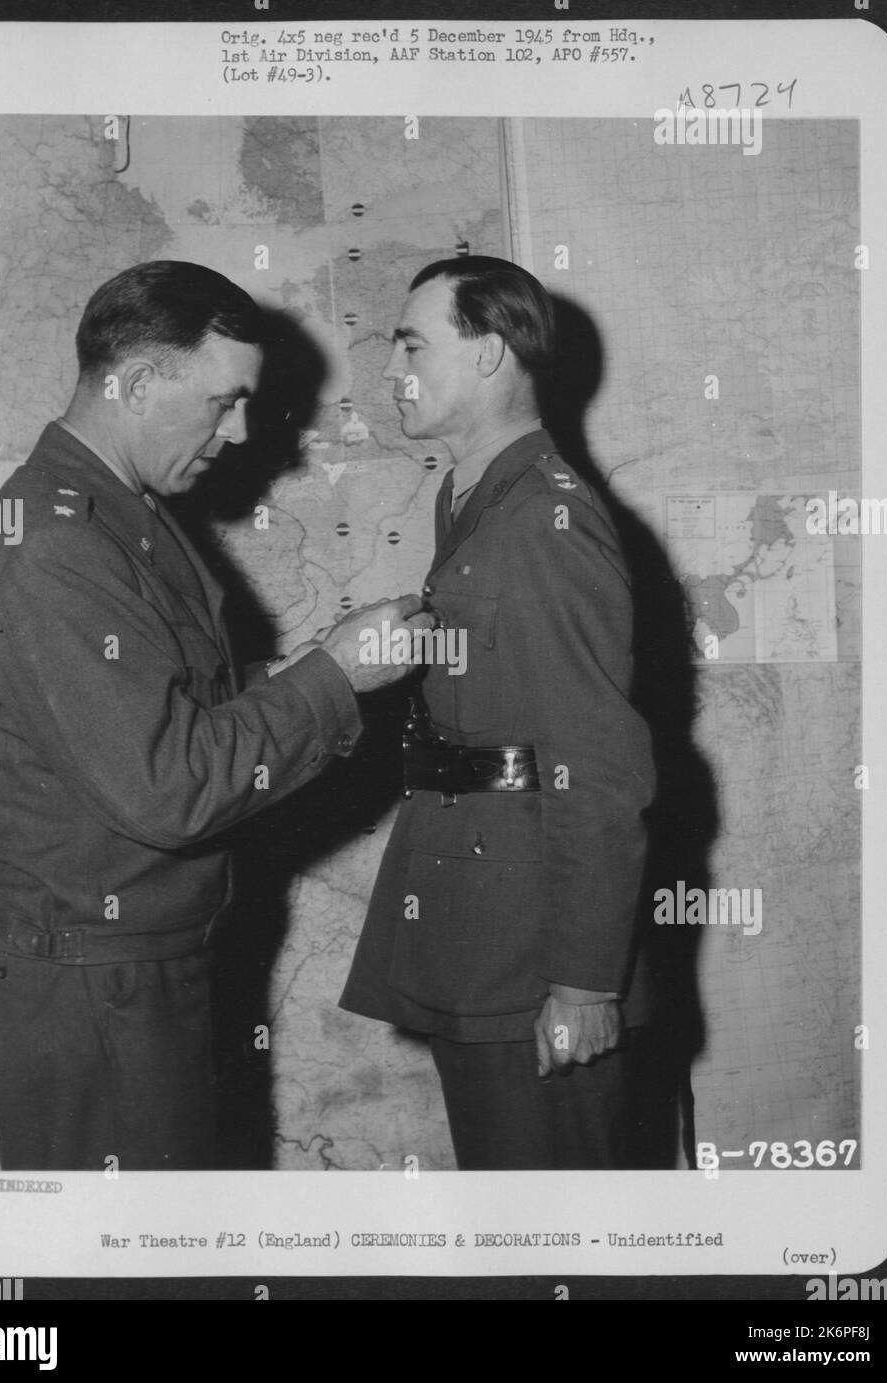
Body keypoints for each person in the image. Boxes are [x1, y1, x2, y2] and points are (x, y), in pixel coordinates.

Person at [0, 260, 429, 1170]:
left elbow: (184, 703)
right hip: (96, 983)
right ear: (140, 382)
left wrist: (323, 667)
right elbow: (168, 783)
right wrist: (335, 680)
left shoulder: (121, 513)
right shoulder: (59, 541)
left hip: (138, 961)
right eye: (222, 402)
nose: (237, 433)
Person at [340, 256, 656, 1169]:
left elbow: (598, 763)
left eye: (412, 344)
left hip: (533, 952)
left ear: (489, 355)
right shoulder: (475, 494)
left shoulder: (544, 522)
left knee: (550, 1220)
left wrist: (585, 983)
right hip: (482, 922)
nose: (393, 369)